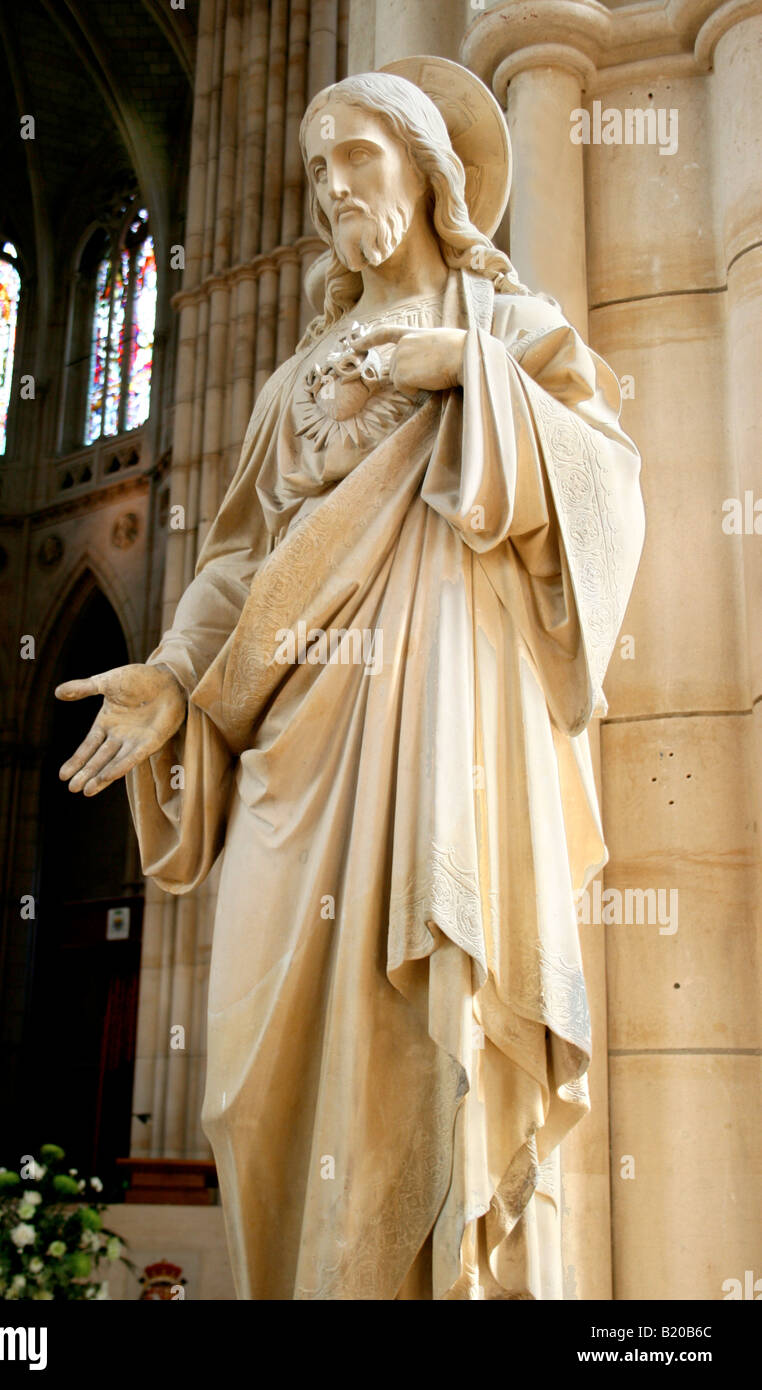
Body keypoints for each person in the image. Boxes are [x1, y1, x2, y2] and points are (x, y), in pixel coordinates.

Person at [57, 59, 645, 1300]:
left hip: (445, 728)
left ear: (428, 170)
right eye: (315, 169)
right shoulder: (289, 384)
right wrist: (171, 677)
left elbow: (610, 492)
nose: (330, 188)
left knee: (433, 1027)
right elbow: (236, 563)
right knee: (252, 1076)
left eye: (353, 159)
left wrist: (467, 378)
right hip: (295, 757)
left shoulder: (507, 330)